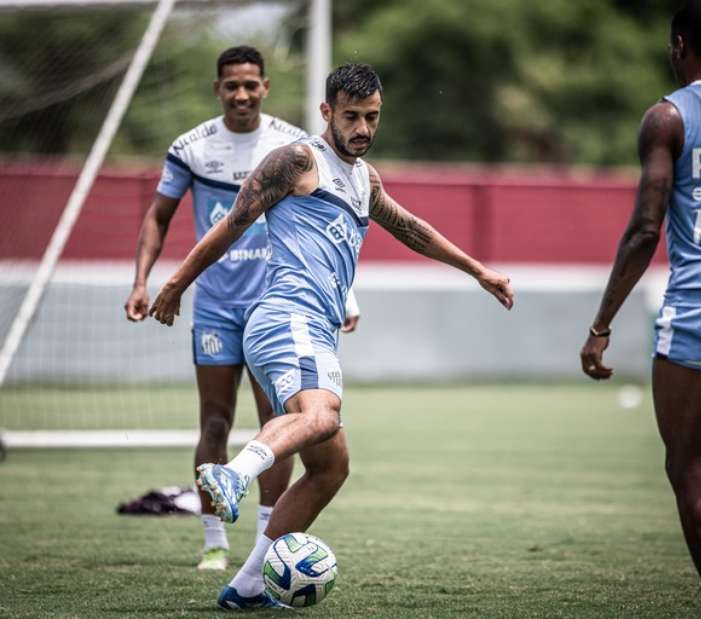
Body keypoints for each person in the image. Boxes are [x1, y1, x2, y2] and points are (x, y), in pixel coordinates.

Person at [149, 63, 514, 609]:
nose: (363, 128)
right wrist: (176, 283)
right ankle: (232, 475)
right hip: (285, 318)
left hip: (315, 328)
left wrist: (478, 270)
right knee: (321, 417)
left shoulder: (364, 178)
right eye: (351, 116)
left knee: (330, 465)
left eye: (372, 117)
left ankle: (247, 586)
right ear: (327, 113)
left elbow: (411, 228)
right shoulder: (298, 160)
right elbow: (231, 225)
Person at [124, 46, 361, 572]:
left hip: (272, 301)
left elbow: (326, 231)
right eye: (231, 85)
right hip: (215, 305)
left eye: (251, 84)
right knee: (214, 420)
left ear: (266, 86)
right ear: (218, 90)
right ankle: (212, 543)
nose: (241, 94)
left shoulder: (289, 145)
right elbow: (158, 216)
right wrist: (144, 281)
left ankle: (265, 544)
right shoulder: (191, 148)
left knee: (280, 420)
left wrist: (346, 294)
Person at [580, 2, 701, 618]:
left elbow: (645, 228)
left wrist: (601, 322)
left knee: (687, 464)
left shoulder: (668, 116)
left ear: (679, 45)